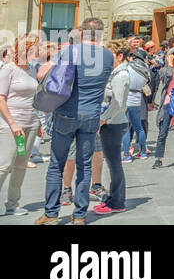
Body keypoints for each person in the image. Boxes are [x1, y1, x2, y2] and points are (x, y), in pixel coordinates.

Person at [36, 18, 112, 225]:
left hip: (67, 113)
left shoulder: (70, 51)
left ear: (82, 33)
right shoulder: (108, 55)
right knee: (85, 165)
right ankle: (79, 215)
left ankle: (51, 214)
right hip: (91, 115)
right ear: (101, 34)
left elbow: (42, 73)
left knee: (56, 165)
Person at [0, 35, 41, 216]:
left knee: (21, 164)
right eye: (36, 47)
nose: (39, 51)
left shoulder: (32, 69)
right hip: (11, 125)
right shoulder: (8, 69)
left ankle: (13, 204)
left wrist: (38, 121)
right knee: (4, 164)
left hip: (30, 123)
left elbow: (35, 97)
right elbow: (1, 99)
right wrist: (13, 124)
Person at [94, 42, 131, 216]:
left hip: (114, 123)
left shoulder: (121, 75)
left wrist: (103, 120)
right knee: (113, 163)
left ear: (119, 56)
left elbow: (117, 103)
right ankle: (114, 199)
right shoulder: (116, 73)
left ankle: (117, 202)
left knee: (114, 164)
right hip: (112, 122)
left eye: (109, 54)